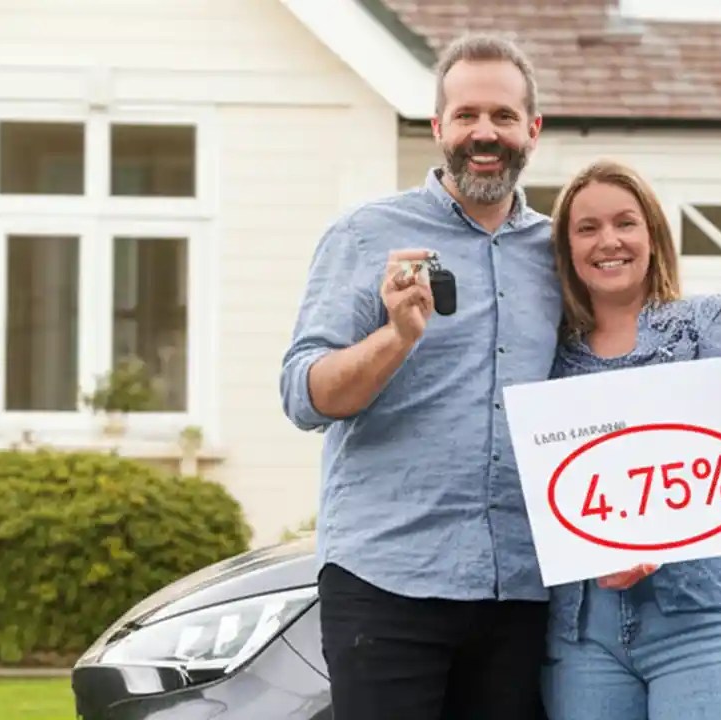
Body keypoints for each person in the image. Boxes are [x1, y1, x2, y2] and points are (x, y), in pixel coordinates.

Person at [278, 33, 559, 720]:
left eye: (503, 116)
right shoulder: (366, 235)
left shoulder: (559, 253)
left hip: (522, 588)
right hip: (388, 583)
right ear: (438, 127)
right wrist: (397, 336)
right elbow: (303, 395)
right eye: (466, 116)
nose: (484, 132)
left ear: (532, 130)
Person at [539, 159, 721, 720]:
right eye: (587, 228)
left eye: (625, 223)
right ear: (566, 248)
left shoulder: (705, 323)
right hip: (583, 636)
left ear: (653, 235)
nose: (609, 241)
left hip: (697, 621)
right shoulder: (549, 351)